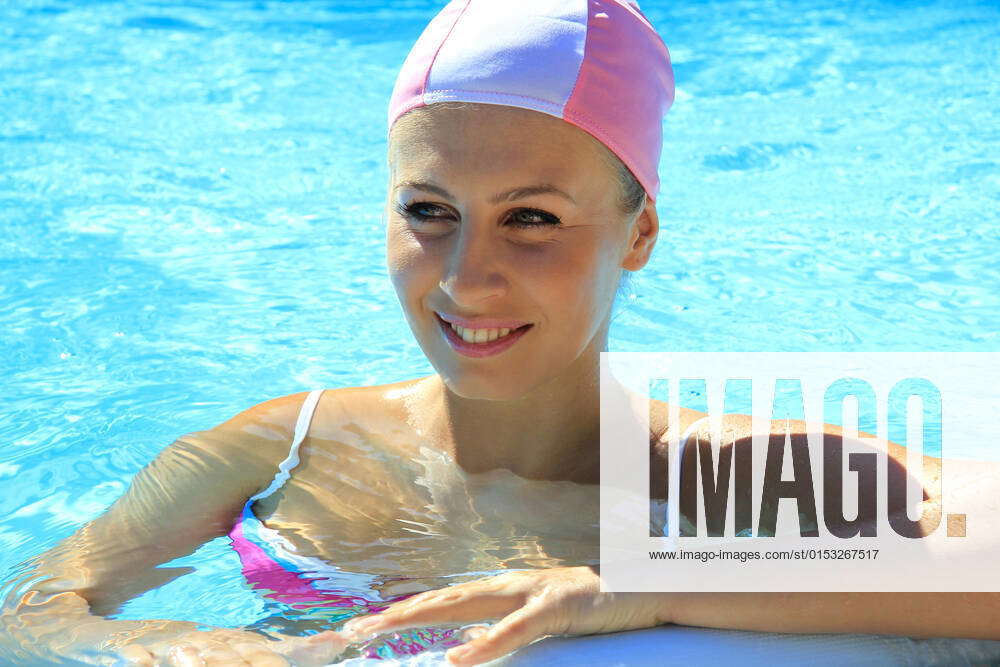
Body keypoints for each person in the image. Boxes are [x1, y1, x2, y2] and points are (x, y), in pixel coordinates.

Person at [2, 1, 999, 666]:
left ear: (639, 234)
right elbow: (36, 612)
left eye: (531, 218)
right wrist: (192, 648)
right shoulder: (283, 449)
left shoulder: (714, 474)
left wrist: (645, 583)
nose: (466, 275)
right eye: (428, 211)